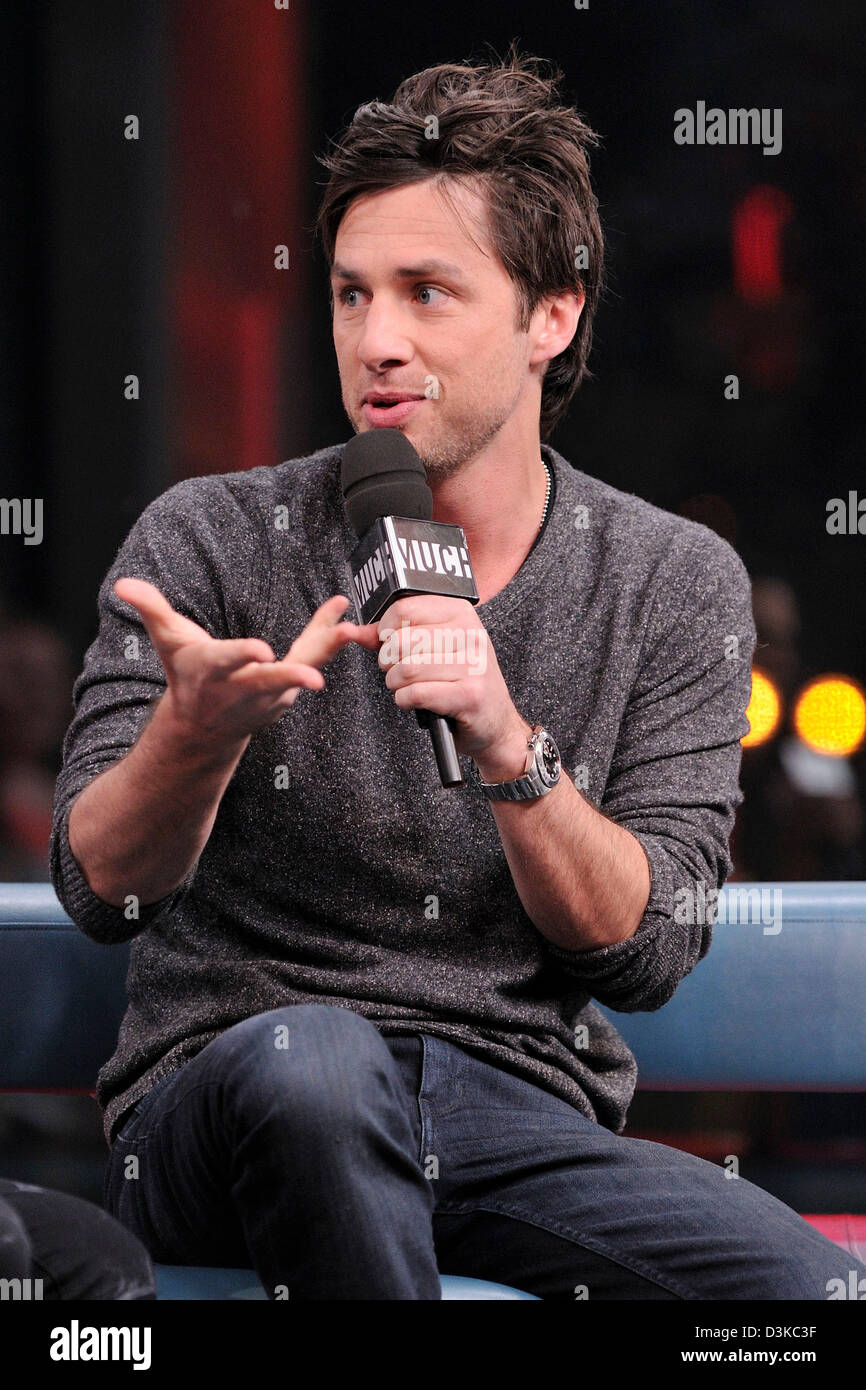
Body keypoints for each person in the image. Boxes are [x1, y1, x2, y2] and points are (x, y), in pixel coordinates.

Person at [49, 48, 866, 1300]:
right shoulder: (204, 539)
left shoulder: (672, 580)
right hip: (231, 1091)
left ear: (553, 314)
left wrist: (506, 747)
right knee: (319, 1069)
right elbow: (98, 888)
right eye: (349, 294)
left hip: (507, 1116)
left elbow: (642, 951)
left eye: (427, 293)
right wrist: (192, 737)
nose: (375, 340)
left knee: (811, 1300)